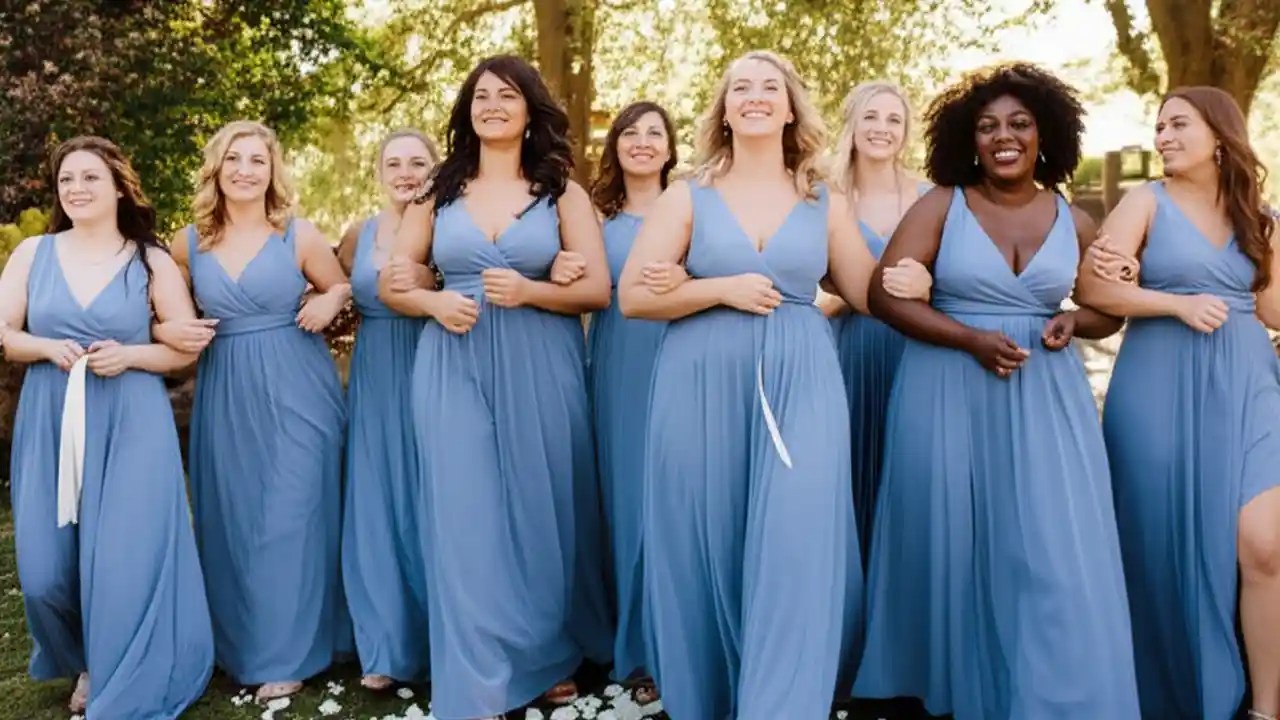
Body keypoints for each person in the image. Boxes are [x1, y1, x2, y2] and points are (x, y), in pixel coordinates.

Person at [853, 62, 1141, 719]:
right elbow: (881, 296)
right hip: (945, 385)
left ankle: (1050, 689)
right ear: (968, 139)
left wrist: (1074, 318)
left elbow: (1106, 311)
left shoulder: (1074, 216)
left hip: (1045, 394)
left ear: (1046, 134)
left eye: (1018, 123)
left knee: (1048, 544)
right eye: (987, 127)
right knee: (948, 536)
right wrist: (969, 340)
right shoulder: (941, 204)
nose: (1003, 136)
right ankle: (946, 687)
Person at [618, 50, 878, 719]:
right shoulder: (688, 196)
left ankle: (781, 702)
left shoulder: (825, 200)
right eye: (741, 88)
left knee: (798, 528)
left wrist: (924, 278)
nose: (755, 96)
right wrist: (717, 288)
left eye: (770, 87)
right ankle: (709, 693)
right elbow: (633, 300)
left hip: (802, 375)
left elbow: (867, 292)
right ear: (724, 108)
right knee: (707, 529)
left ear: (791, 107)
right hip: (699, 378)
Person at [379, 55, 613, 720]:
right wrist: (433, 305)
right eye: (480, 96)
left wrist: (533, 290)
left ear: (529, 109)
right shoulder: (437, 193)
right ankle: (476, 675)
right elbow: (397, 282)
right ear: (466, 112)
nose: (492, 106)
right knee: (464, 515)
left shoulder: (562, 192)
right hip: (452, 360)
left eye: (507, 96)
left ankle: (544, 658)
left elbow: (598, 289)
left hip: (543, 363)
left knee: (540, 512)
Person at [1080, 86, 1280, 720]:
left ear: (1219, 135)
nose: (1162, 136)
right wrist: (1174, 302)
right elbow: (1092, 289)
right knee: (1157, 543)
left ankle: (1266, 708)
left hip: (1249, 382)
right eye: (1158, 126)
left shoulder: (1262, 218)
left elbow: (1272, 310)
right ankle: (1161, 698)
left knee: (1265, 545)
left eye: (1177, 124)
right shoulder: (1145, 202)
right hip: (1156, 383)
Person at [0, 136, 213, 718]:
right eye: (67, 179)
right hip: (51, 415)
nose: (77, 189)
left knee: (121, 560)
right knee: (43, 571)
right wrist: (47, 346)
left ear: (118, 186)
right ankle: (81, 650)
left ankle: (111, 669)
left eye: (89, 177)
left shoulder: (151, 261)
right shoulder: (33, 255)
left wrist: (130, 355)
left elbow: (185, 348)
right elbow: (6, 333)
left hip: (132, 417)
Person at [163, 120, 350, 700]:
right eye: (234, 159)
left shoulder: (297, 234)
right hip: (227, 391)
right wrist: (175, 329)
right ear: (215, 169)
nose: (245, 170)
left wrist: (327, 302)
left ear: (273, 173)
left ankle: (290, 653)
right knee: (236, 518)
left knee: (292, 516)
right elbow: (162, 311)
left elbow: (342, 287)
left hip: (299, 384)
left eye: (258, 161)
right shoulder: (185, 244)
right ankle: (242, 644)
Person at [336, 128, 440, 691]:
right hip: (375, 375)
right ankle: (384, 645)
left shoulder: (450, 224)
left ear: (436, 168)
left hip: (435, 362)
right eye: (393, 163)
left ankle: (440, 637)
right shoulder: (360, 234)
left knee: (433, 498)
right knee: (376, 500)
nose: (405, 172)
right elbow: (337, 300)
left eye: (417, 162)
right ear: (378, 171)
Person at [583, 100, 677, 702]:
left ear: (671, 148)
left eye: (655, 133)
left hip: (680, 360)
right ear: (614, 146)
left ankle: (677, 641)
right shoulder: (593, 216)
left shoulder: (696, 204)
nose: (642, 142)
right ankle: (634, 647)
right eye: (630, 133)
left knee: (673, 499)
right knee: (624, 501)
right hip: (618, 363)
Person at [822, 81, 933, 566]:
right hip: (850, 351)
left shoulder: (931, 197)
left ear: (906, 133)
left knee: (913, 471)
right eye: (871, 117)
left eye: (893, 120)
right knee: (851, 468)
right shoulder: (824, 198)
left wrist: (929, 284)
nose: (881, 129)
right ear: (851, 124)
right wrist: (846, 297)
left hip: (920, 350)